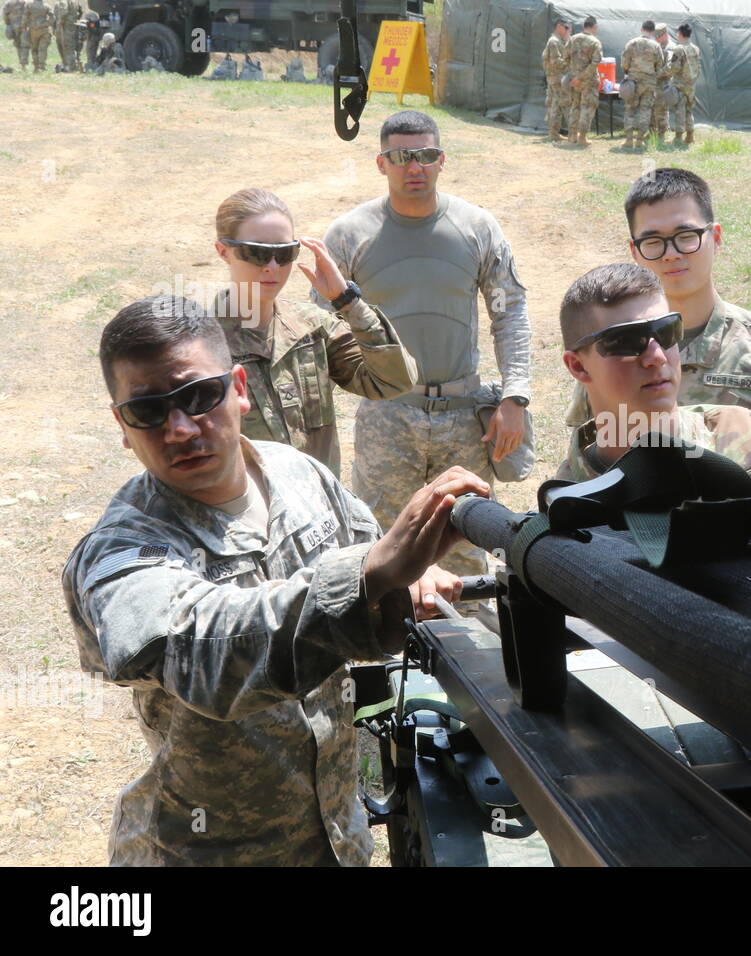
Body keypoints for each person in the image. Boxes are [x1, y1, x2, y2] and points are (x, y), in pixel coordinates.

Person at [63, 296, 490, 865]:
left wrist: (408, 580)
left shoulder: (298, 474)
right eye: (148, 411)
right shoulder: (120, 551)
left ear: (239, 388)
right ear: (122, 426)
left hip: (337, 835)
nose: (181, 428)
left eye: (199, 395)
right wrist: (367, 578)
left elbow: (368, 554)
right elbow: (201, 655)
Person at [316, 110, 531, 581]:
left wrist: (515, 397)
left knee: (466, 543)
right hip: (387, 415)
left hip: (463, 414)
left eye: (426, 155)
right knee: (382, 546)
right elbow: (320, 326)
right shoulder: (350, 234)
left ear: (441, 160)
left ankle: (473, 645)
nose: (415, 167)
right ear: (381, 163)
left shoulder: (477, 227)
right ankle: (389, 648)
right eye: (401, 156)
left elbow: (509, 312)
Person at [557, 264, 751, 496]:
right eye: (626, 341)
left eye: (666, 332)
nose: (657, 355)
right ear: (578, 367)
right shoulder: (567, 497)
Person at [565, 168, 751, 432]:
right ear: (634, 251)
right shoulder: (611, 351)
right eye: (653, 241)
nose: (670, 254)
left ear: (715, 238)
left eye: (686, 236)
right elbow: (588, 457)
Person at [212, 187, 416, 478]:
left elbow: (394, 382)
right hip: (246, 516)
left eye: (284, 253)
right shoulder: (200, 343)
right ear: (224, 252)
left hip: (318, 511)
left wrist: (348, 301)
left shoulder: (313, 328)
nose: (272, 267)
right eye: (256, 252)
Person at [620, 19, 662, 150]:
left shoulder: (632, 43)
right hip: (649, 83)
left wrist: (627, 72)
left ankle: (628, 140)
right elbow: (659, 65)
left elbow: (624, 63)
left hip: (633, 82)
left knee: (630, 109)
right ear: (653, 31)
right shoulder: (656, 46)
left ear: (641, 29)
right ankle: (639, 139)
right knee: (645, 110)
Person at [566, 15, 601, 147]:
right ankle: (582, 137)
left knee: (575, 106)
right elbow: (595, 63)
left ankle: (572, 136)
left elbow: (566, 57)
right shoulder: (595, 42)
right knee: (588, 107)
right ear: (594, 27)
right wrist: (581, 77)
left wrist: (574, 76)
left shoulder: (573, 39)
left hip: (575, 80)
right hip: (589, 81)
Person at [668, 23, 702, 145]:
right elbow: (698, 67)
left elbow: (674, 68)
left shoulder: (679, 49)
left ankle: (678, 137)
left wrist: (666, 72)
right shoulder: (695, 49)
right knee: (689, 111)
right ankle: (690, 136)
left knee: (679, 110)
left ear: (681, 34)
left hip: (680, 85)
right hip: (691, 85)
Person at [541, 18, 571, 143]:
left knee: (555, 106)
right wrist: (570, 63)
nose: (568, 31)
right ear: (559, 27)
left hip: (555, 78)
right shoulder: (554, 42)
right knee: (563, 105)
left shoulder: (557, 41)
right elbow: (556, 61)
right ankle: (569, 133)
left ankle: (554, 133)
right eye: (566, 28)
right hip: (557, 78)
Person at [650, 23, 676, 141]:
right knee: (652, 107)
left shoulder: (670, 48)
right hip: (656, 82)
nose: (656, 39)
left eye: (658, 36)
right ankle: (652, 132)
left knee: (661, 109)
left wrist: (655, 74)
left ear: (665, 35)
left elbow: (669, 68)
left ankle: (661, 134)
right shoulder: (659, 46)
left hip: (664, 83)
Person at [21, 0, 49, 71]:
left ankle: (36, 67)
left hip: (33, 30)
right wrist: (47, 24)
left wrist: (24, 26)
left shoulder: (29, 5)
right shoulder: (47, 6)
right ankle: (42, 66)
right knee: (43, 49)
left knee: (35, 49)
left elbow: (25, 16)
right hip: (44, 30)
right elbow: (52, 18)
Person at [2, 0, 28, 71]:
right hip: (24, 27)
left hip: (14, 27)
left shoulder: (8, 3)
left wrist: (8, 23)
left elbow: (5, 15)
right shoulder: (25, 2)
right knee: (24, 46)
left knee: (18, 45)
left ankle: (22, 64)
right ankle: (24, 65)